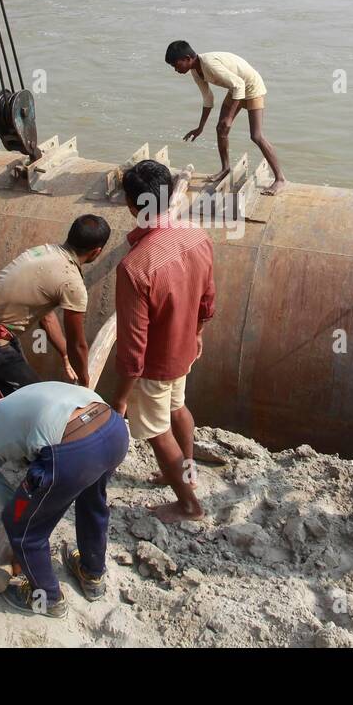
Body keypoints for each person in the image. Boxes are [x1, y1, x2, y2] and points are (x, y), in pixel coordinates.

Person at [0, 380, 130, 618]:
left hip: (75, 452)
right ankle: (92, 574)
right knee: (92, 500)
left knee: (19, 524)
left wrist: (24, 533)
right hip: (114, 429)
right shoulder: (23, 396)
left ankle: (47, 599)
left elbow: (10, 502)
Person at [112, 159, 215, 523]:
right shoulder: (197, 235)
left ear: (130, 205)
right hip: (186, 347)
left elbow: (133, 346)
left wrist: (120, 398)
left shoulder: (135, 267)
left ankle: (188, 504)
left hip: (157, 363)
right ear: (170, 194)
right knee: (177, 408)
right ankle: (187, 474)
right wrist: (198, 332)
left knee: (156, 431)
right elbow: (207, 298)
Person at [0, 215, 110, 410]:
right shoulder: (72, 284)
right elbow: (77, 344)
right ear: (97, 251)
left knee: (13, 389)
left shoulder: (43, 251)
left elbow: (46, 317)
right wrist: (84, 381)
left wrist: (64, 356)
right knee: (35, 400)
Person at [166, 40, 287, 196]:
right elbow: (208, 99)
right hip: (235, 89)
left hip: (251, 87)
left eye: (176, 65)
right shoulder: (196, 72)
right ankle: (225, 168)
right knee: (221, 129)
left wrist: (229, 117)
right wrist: (200, 127)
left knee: (256, 136)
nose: (175, 70)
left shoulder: (209, 64)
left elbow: (240, 85)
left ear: (188, 58)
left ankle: (280, 179)